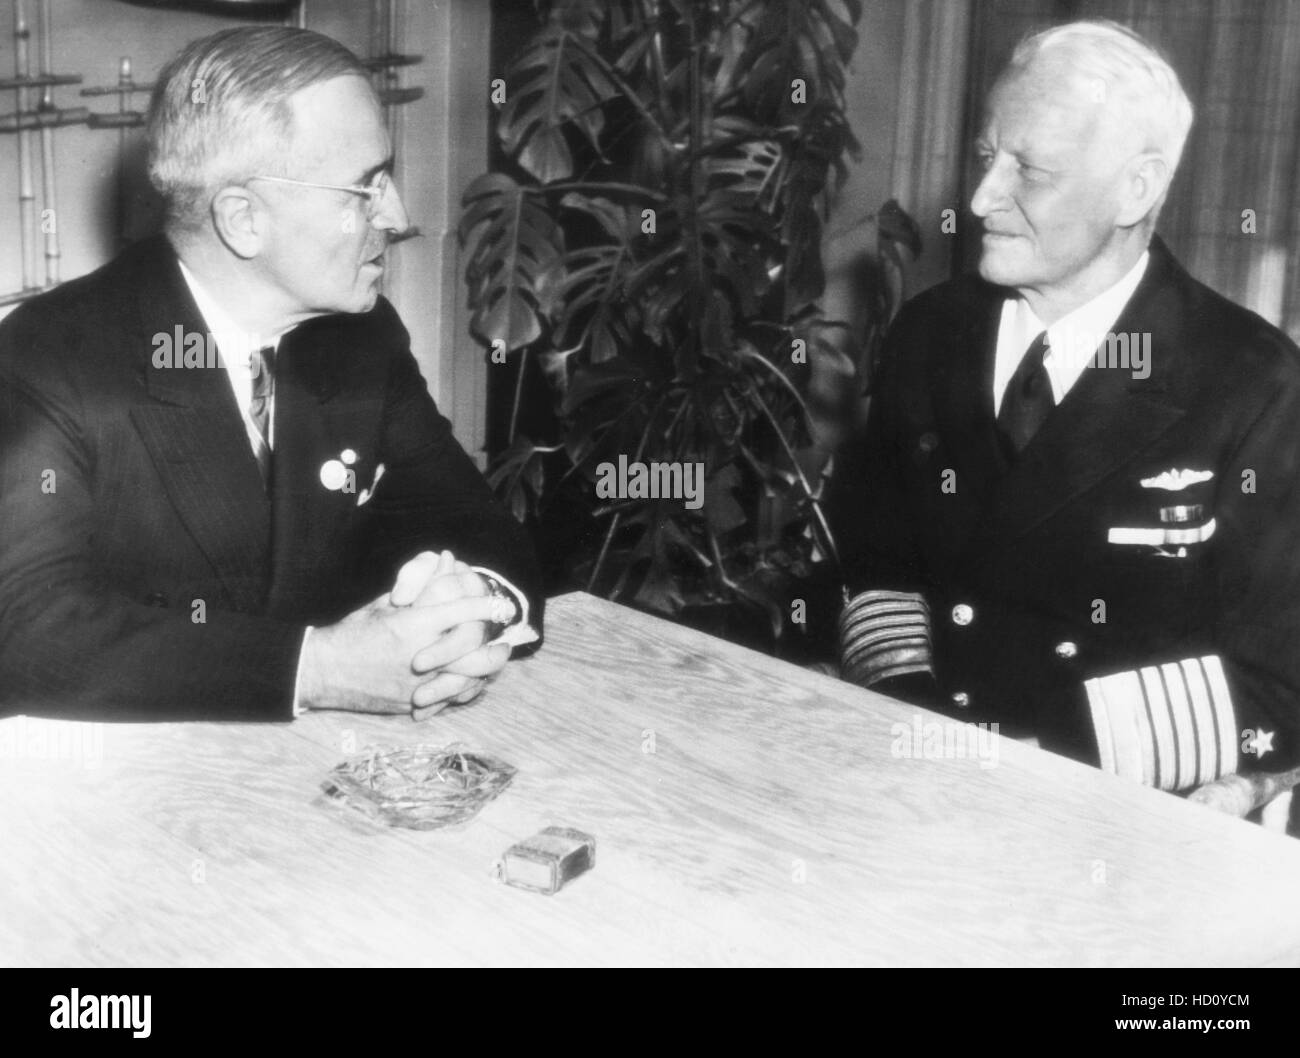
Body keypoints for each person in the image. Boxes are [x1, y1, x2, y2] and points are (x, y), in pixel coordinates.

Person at [0, 27, 543, 722]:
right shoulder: (51, 358)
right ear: (243, 219)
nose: (399, 216)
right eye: (364, 188)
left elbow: (471, 522)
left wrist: (472, 617)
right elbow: (26, 631)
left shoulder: (360, 337)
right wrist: (314, 670)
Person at [829, 20, 1300, 801]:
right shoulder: (931, 331)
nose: (982, 198)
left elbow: (1278, 679)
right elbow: (879, 562)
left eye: (1030, 172)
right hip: (913, 776)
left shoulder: (1253, 384)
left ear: (1137, 188)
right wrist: (911, 720)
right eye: (987, 157)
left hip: (1113, 805)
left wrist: (1019, 757)